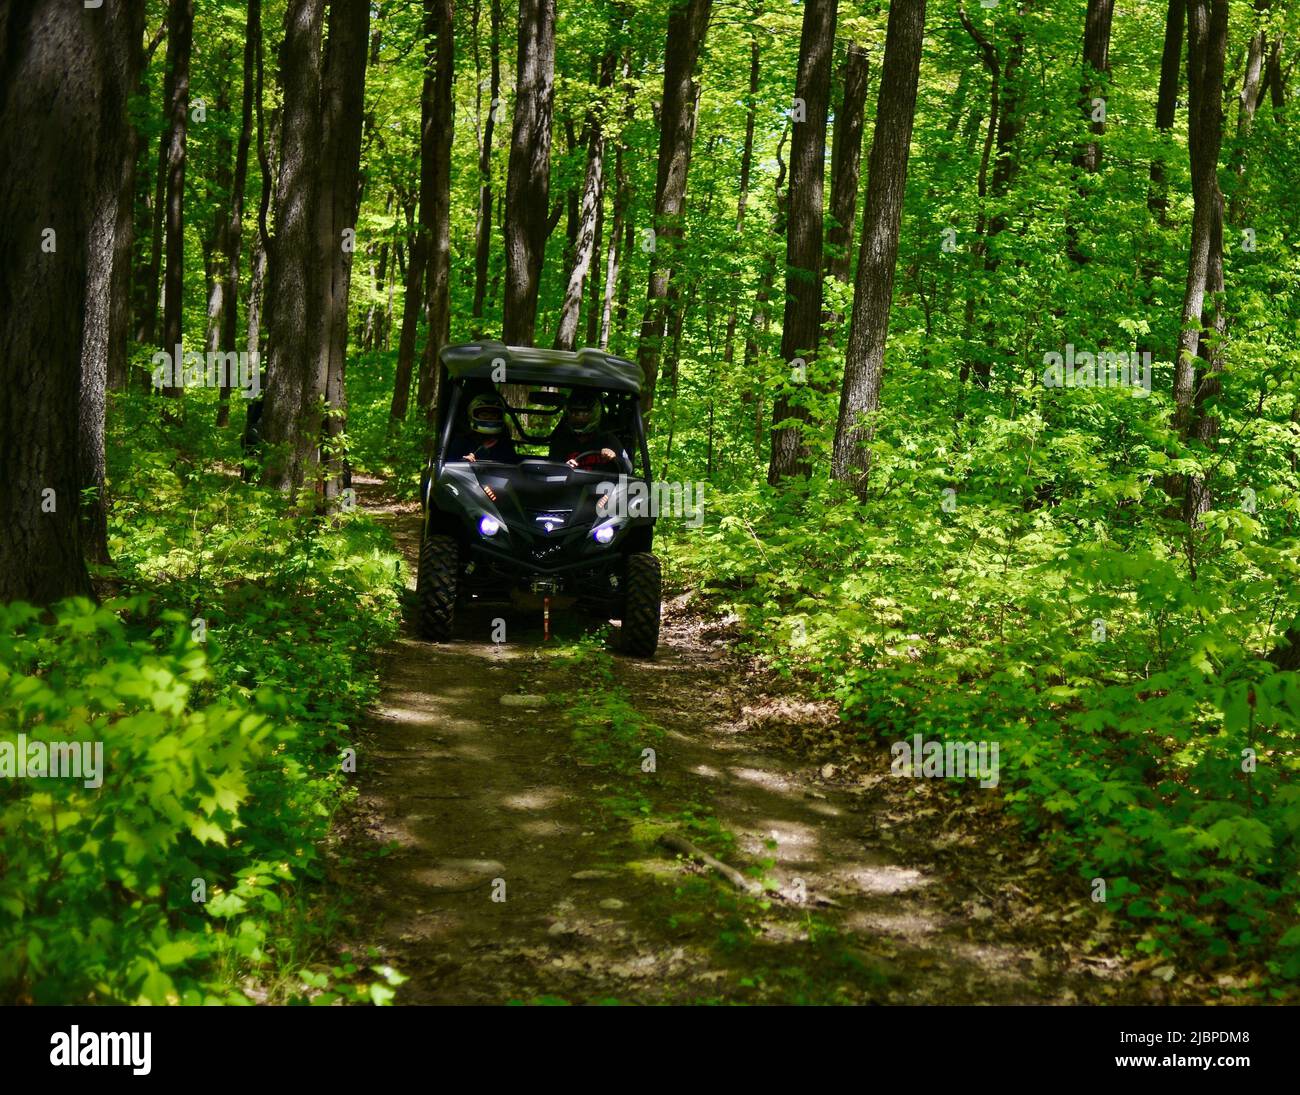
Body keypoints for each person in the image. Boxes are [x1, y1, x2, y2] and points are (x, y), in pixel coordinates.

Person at [547, 389, 628, 472]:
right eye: (574, 413)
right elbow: (551, 470)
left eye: (584, 414)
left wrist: (614, 457)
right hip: (569, 483)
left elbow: (628, 469)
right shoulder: (562, 441)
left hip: (601, 483)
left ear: (594, 414)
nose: (578, 418)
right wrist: (564, 467)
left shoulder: (608, 440)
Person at [447, 391, 519, 463]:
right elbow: (449, 466)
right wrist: (464, 461)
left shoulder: (504, 443)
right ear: (473, 415)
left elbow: (511, 465)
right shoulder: (462, 442)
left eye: (493, 415)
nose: (489, 418)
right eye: (484, 415)